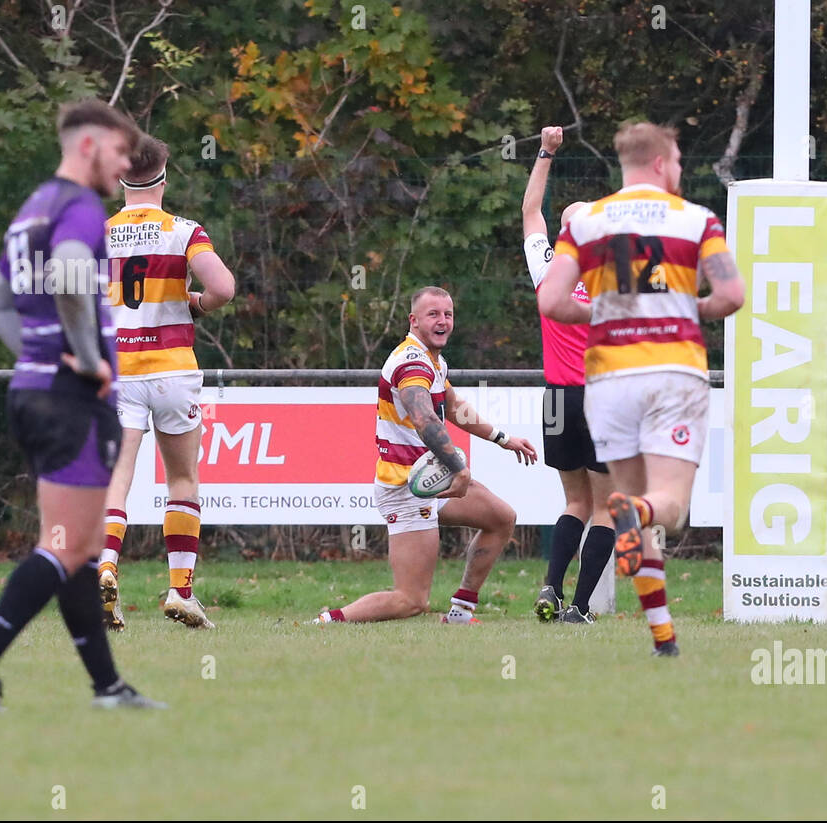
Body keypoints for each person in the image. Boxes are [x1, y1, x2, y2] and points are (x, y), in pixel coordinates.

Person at [0, 99, 165, 709]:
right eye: (121, 153)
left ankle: (109, 688)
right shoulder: (78, 207)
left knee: (84, 551)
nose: (125, 167)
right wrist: (89, 359)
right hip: (71, 400)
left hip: (35, 392)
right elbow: (71, 275)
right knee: (68, 546)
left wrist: (38, 357)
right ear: (90, 145)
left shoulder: (32, 209)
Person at [537, 122, 745, 656]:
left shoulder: (583, 222)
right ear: (660, 163)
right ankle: (640, 519)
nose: (679, 170)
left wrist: (604, 311)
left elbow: (553, 301)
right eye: (677, 161)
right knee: (666, 506)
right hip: (672, 372)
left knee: (627, 499)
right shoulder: (698, 220)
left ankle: (663, 637)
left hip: (607, 378)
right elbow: (731, 296)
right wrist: (683, 307)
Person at [313, 287, 537, 624]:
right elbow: (425, 419)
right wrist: (458, 468)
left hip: (431, 478)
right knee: (411, 601)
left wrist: (503, 439)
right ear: (413, 321)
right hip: (407, 486)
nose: (443, 321)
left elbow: (454, 408)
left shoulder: (434, 360)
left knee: (501, 518)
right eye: (433, 314)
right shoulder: (412, 363)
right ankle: (326, 623)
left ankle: (461, 613)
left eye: (448, 314)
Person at [97, 135, 235, 631]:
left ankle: (107, 566)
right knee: (182, 478)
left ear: (119, 181)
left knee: (118, 478)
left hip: (119, 372)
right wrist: (196, 303)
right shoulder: (183, 230)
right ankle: (180, 592)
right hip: (172, 369)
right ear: (164, 179)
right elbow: (223, 288)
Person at [521, 125, 615, 625]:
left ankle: (551, 586)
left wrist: (545, 153)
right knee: (605, 507)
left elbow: (529, 211)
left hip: (556, 398)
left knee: (573, 501)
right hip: (600, 398)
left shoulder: (547, 269)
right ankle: (578, 609)